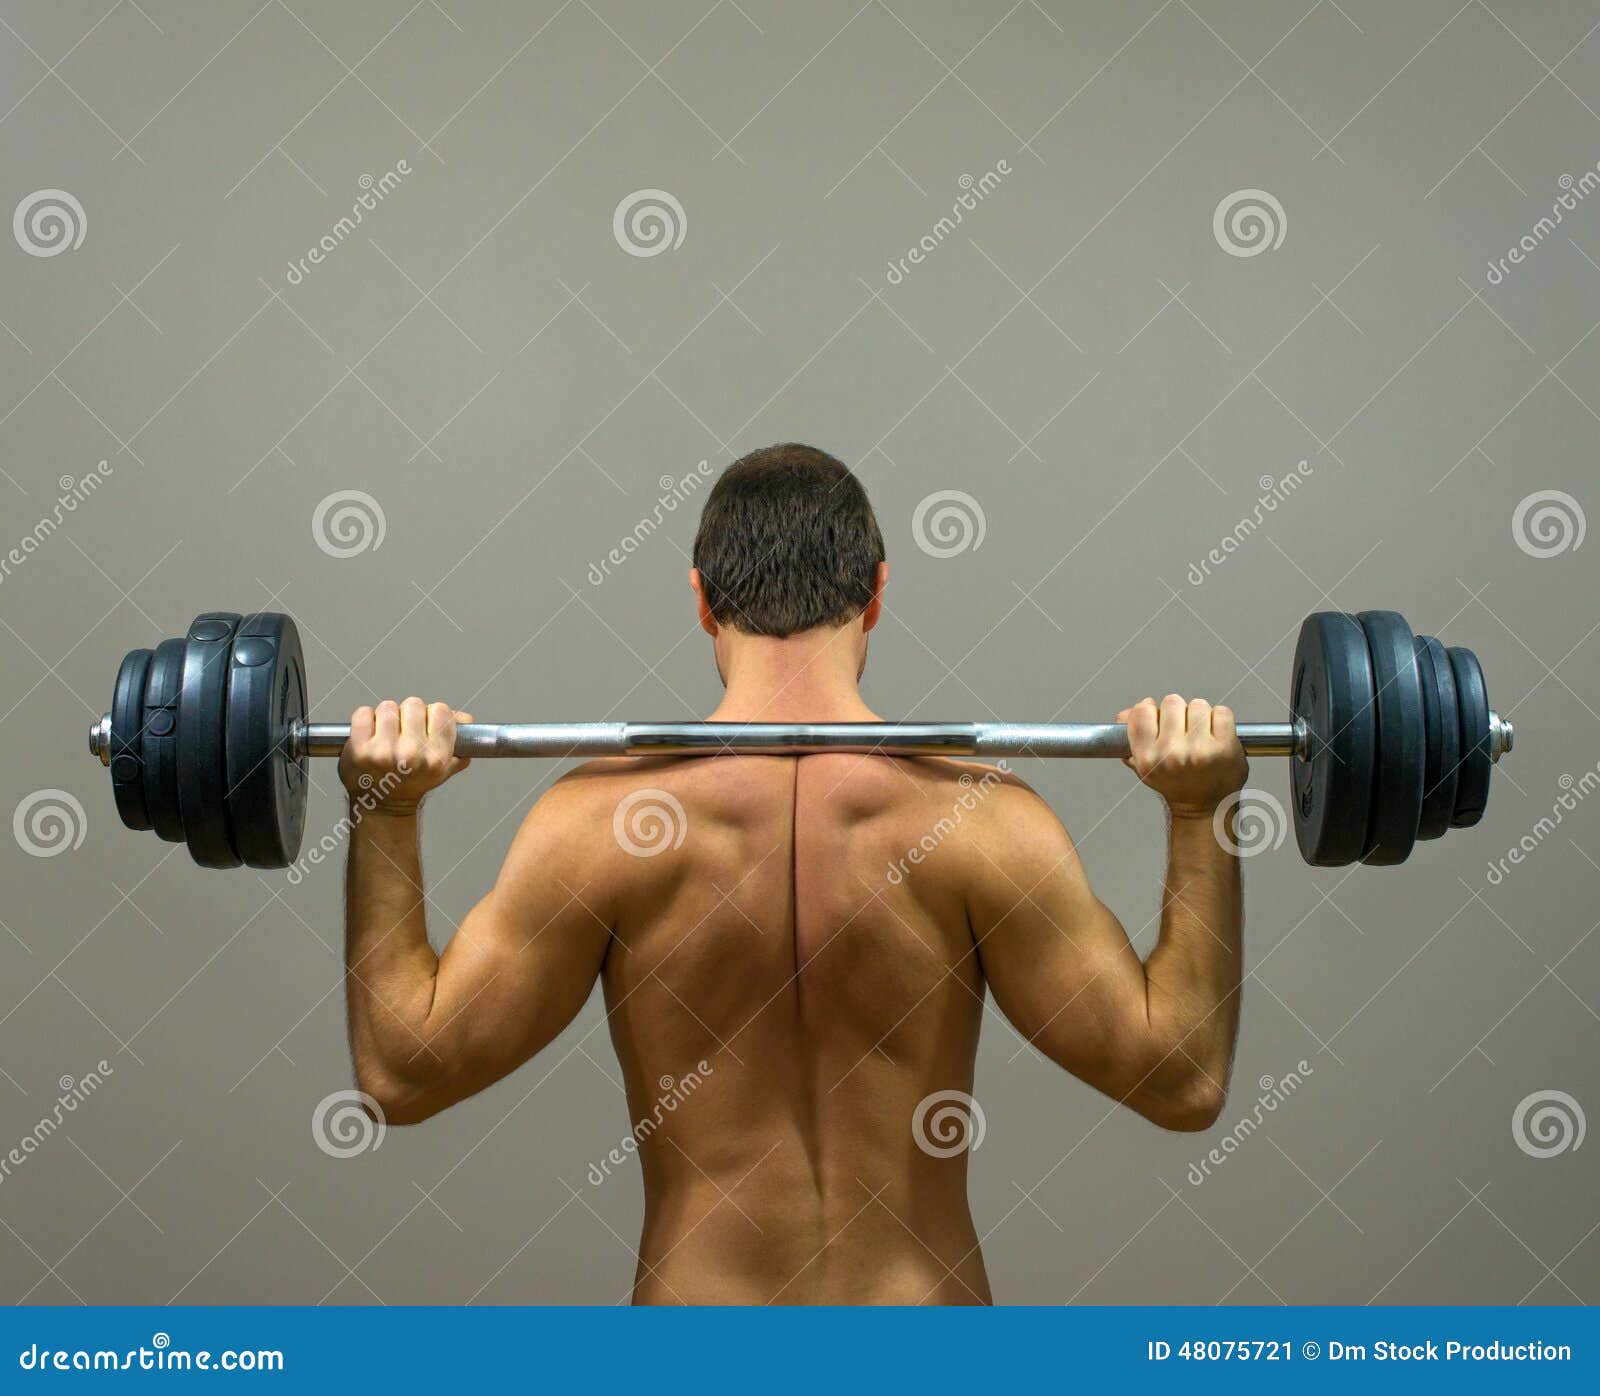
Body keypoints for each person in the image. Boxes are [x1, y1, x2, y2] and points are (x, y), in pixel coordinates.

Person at [339, 443, 1246, 1305]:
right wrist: (1199, 813)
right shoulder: (981, 823)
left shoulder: (601, 827)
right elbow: (1181, 1080)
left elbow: (404, 1072)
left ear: (701, 599)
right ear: (878, 595)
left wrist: (387, 809)